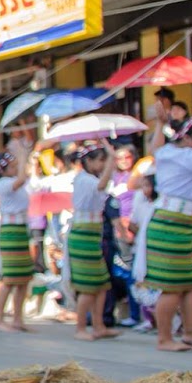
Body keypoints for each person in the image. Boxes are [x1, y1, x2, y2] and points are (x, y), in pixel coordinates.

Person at [146, 117, 192, 352]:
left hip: (181, 224)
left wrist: (159, 123)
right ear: (186, 138)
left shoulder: (167, 152)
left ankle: (190, 334)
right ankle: (164, 339)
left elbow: (153, 148)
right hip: (171, 225)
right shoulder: (187, 156)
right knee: (173, 285)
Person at [67, 144, 118, 342]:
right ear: (88, 162)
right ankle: (81, 327)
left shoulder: (89, 178)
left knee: (101, 283)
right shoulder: (84, 179)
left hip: (92, 233)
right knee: (88, 285)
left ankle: (99, 325)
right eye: (100, 160)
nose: (102, 164)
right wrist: (112, 159)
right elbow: (102, 185)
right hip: (83, 234)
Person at [0, 143, 35, 333]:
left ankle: (18, 317)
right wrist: (23, 155)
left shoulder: (14, 184)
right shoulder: (2, 184)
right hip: (10, 231)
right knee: (9, 278)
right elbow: (21, 179)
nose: (16, 170)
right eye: (13, 167)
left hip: (20, 229)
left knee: (23, 278)